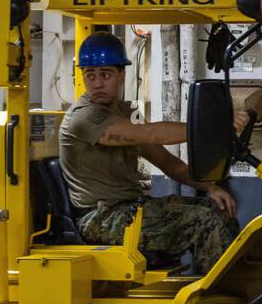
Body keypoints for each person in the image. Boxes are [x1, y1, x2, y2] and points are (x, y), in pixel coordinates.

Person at [59, 30, 248, 273]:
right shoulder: (84, 116)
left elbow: (170, 164)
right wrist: (216, 126)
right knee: (203, 221)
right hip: (100, 218)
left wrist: (210, 187)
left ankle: (224, 286)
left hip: (131, 208)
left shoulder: (127, 112)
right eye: (90, 75)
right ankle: (215, 297)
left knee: (216, 209)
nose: (96, 83)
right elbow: (151, 133)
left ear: (121, 75)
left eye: (105, 74)